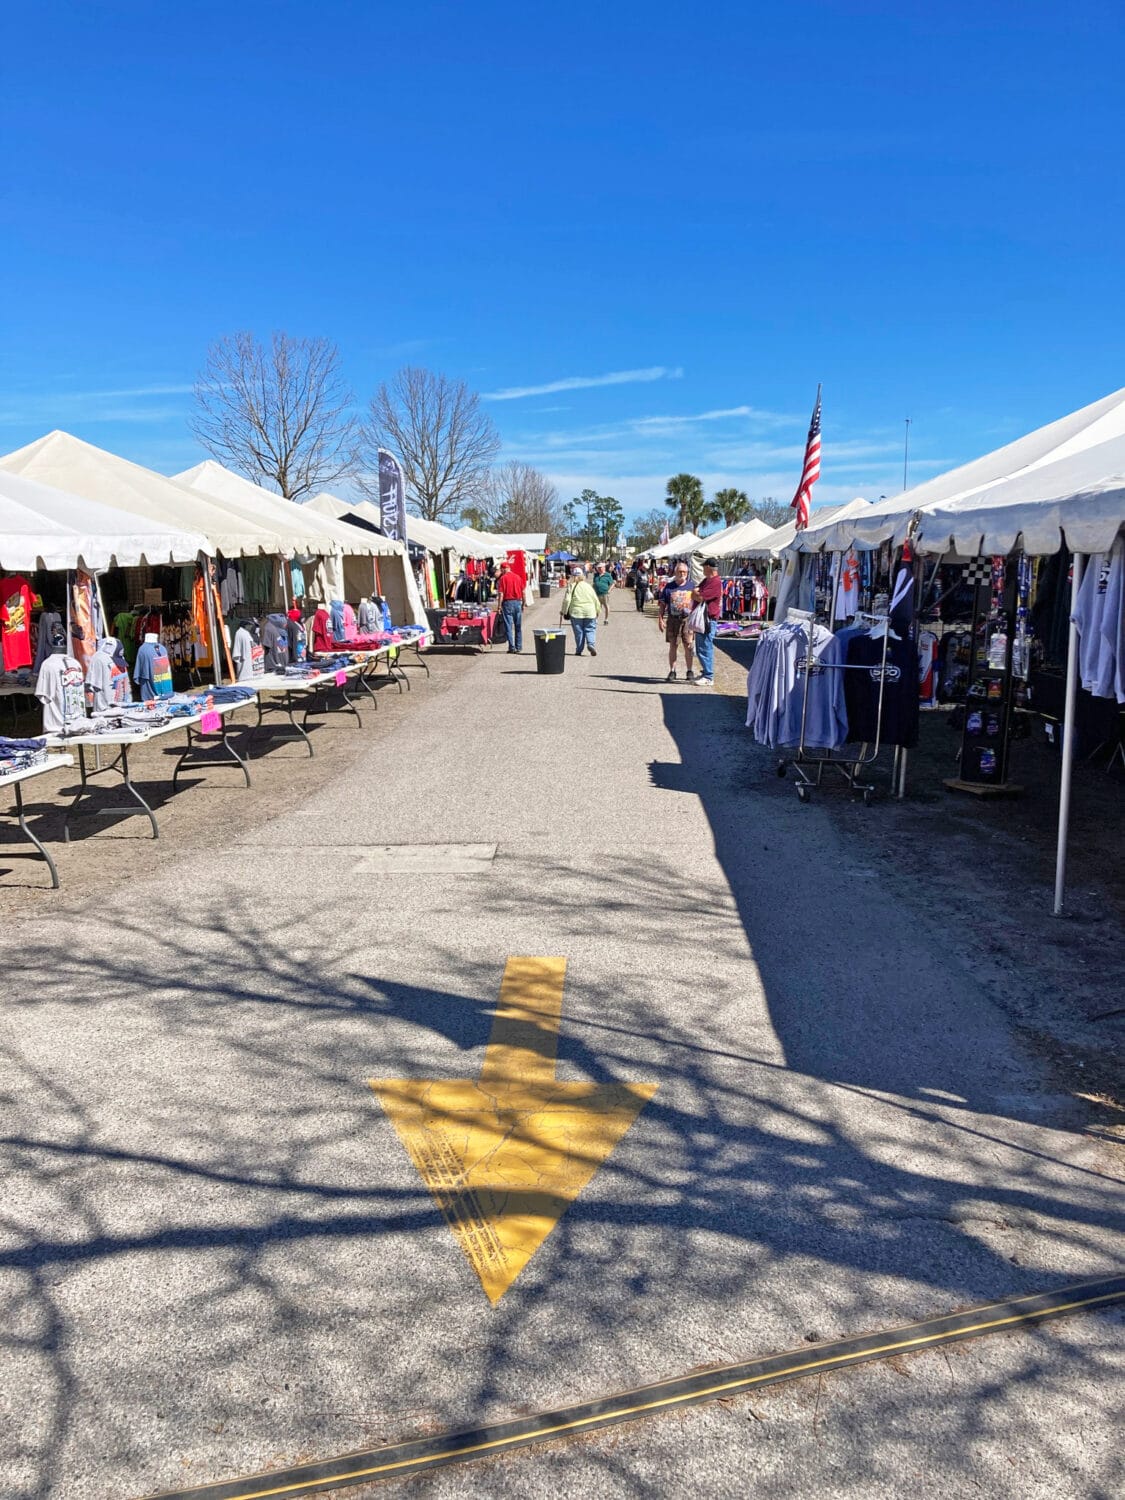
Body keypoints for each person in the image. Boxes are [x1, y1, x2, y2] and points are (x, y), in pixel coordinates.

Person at [657, 560, 695, 682]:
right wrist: (660, 619)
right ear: (675, 572)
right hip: (673, 620)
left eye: (684, 572)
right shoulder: (669, 587)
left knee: (688, 646)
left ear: (687, 573)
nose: (682, 574)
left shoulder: (692, 586)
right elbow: (662, 604)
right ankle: (672, 671)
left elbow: (698, 603)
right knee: (673, 645)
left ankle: (689, 671)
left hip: (687, 620)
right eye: (680, 571)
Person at [691, 557, 723, 687]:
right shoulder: (707, 580)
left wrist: (695, 594)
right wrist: (695, 593)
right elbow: (697, 592)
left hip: (708, 619)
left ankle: (708, 676)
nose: (703, 568)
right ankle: (705, 671)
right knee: (700, 647)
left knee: (705, 646)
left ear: (709, 567)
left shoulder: (715, 582)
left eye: (704, 566)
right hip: (703, 618)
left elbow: (700, 596)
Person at [561, 566, 599, 657]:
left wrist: (564, 611)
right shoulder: (588, 586)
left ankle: (579, 650)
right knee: (590, 629)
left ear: (573, 576)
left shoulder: (571, 586)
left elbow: (567, 600)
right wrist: (597, 610)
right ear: (582, 576)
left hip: (576, 612)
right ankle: (591, 644)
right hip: (590, 612)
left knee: (579, 632)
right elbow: (595, 599)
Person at [495, 559, 524, 653]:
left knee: (508, 626)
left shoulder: (503, 578)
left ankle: (512, 647)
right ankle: (518, 647)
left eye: (501, 570)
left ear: (504, 569)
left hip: (507, 603)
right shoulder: (518, 577)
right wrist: (523, 603)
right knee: (518, 626)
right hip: (517, 602)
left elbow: (501, 594)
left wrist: (499, 606)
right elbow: (523, 592)